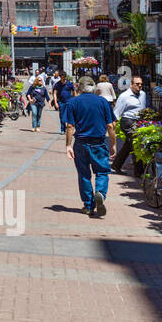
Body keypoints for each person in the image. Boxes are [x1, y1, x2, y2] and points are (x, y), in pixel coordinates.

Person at [64, 77, 118, 218]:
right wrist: (113, 143)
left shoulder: (73, 102)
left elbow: (70, 126)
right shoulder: (103, 102)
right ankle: (100, 193)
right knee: (102, 172)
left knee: (84, 175)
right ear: (94, 88)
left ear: (79, 88)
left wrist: (68, 145)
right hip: (98, 143)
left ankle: (88, 206)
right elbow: (111, 125)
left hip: (80, 143)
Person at [111, 75, 150, 174]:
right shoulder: (124, 96)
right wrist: (113, 125)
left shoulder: (143, 94)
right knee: (136, 142)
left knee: (129, 144)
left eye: (141, 84)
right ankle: (139, 171)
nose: (139, 86)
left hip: (139, 121)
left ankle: (116, 165)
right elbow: (117, 111)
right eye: (137, 84)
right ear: (131, 85)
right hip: (128, 121)